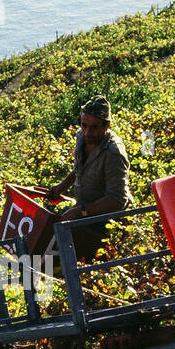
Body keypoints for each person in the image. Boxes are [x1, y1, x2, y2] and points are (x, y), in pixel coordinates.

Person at [44, 94, 133, 259]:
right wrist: (61, 187)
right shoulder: (81, 137)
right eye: (84, 125)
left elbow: (116, 200)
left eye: (94, 127)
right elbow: (80, 167)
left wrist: (79, 212)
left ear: (107, 126)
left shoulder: (114, 153)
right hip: (85, 212)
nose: (87, 132)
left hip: (106, 225)